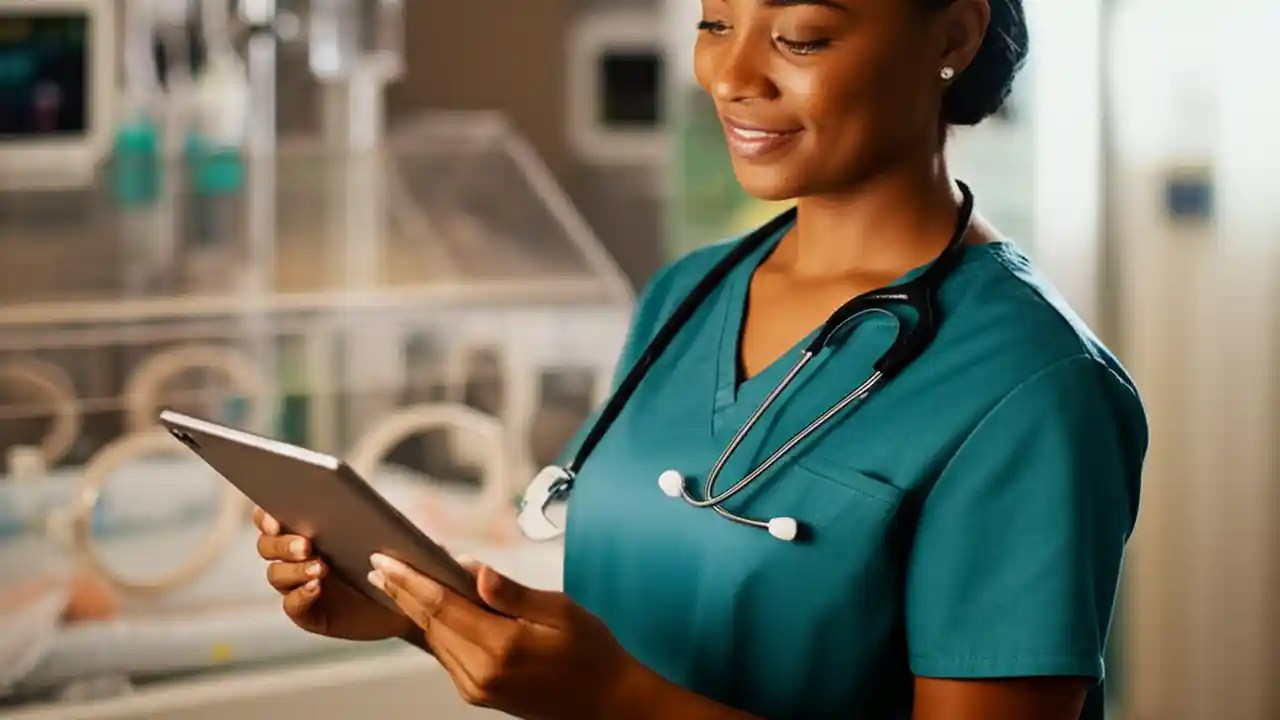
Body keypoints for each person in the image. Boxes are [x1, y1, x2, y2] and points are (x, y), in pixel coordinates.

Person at [253, 0, 1146, 717]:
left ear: (952, 33)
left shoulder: (1034, 388)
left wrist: (614, 702)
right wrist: (412, 610)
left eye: (800, 36)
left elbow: (612, 685)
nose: (730, 75)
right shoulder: (685, 295)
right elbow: (627, 631)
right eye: (714, 22)